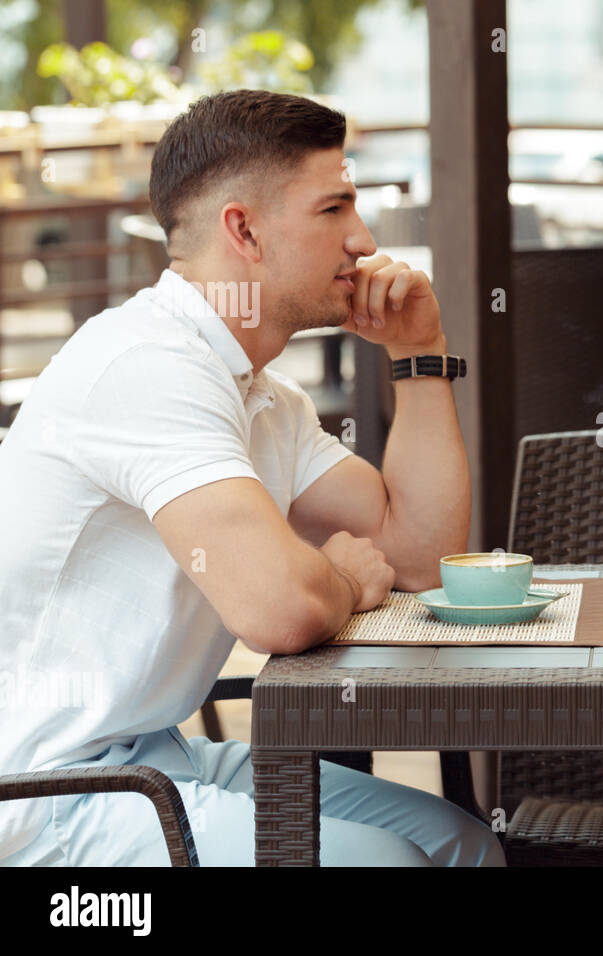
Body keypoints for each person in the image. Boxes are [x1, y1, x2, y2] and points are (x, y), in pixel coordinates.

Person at [0, 89, 503, 866]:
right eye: (333, 208)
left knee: (457, 843)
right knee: (390, 866)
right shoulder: (147, 365)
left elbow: (416, 555)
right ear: (245, 230)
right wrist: (335, 574)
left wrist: (420, 356)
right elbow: (279, 609)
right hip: (47, 796)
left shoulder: (263, 397)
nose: (363, 241)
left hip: (151, 759)